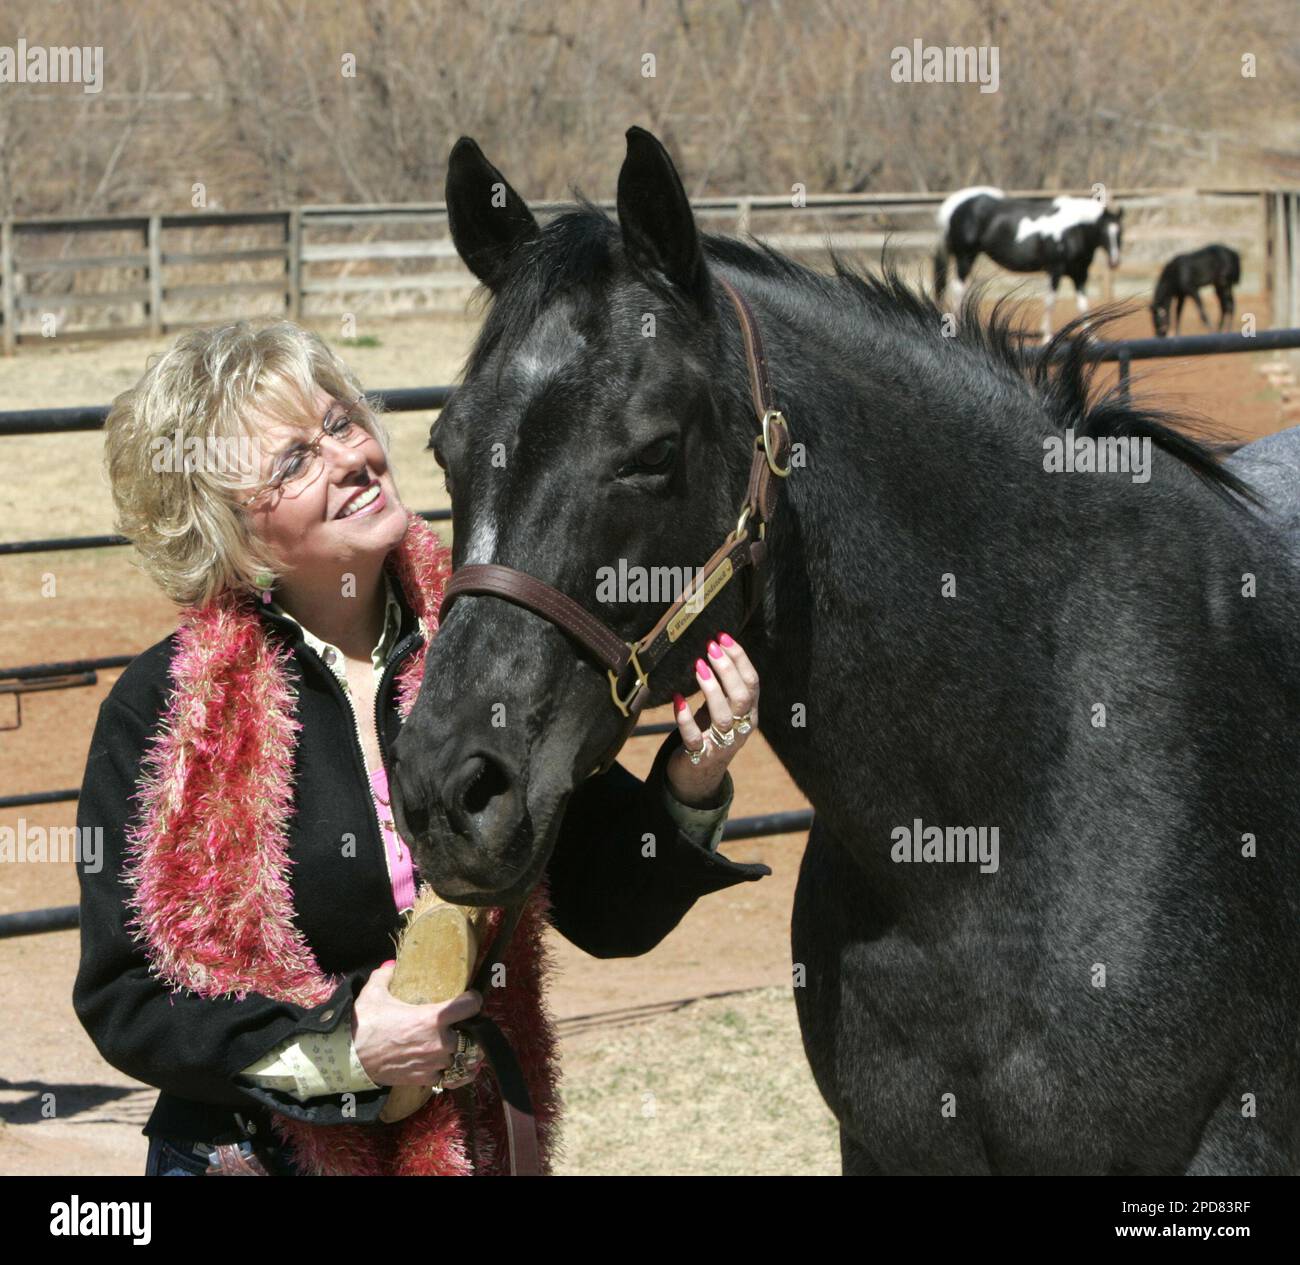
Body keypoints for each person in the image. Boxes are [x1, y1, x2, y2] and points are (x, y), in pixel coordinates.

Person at [72, 319, 769, 1176]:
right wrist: (345, 1056)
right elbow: (129, 996)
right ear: (231, 533)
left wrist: (693, 776)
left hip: (468, 1149)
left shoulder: (488, 651)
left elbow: (602, 905)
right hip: (251, 1159)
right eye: (292, 461)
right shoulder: (164, 711)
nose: (347, 456)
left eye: (340, 422)